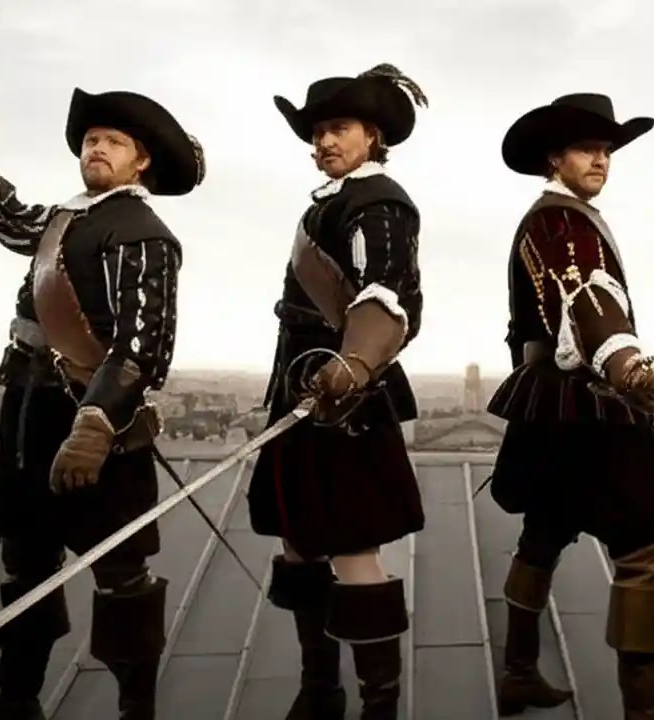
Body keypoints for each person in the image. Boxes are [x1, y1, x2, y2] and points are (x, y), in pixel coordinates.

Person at [0, 87, 205, 720]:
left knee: (121, 578)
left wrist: (94, 425)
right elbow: (4, 216)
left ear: (140, 162)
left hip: (97, 423)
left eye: (113, 142)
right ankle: (18, 699)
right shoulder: (63, 219)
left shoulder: (145, 233)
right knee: (25, 564)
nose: (96, 149)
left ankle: (135, 709)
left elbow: (142, 349)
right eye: (91, 141)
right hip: (31, 412)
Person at [487, 93, 654, 719]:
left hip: (547, 407)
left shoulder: (562, 216)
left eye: (606, 150)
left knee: (542, 532)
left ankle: (517, 672)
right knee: (643, 552)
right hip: (590, 405)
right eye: (587, 150)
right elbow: (583, 303)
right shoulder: (560, 221)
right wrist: (629, 368)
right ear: (556, 158)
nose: (600, 160)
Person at [246, 64, 428, 720]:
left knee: (353, 550)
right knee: (300, 544)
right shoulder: (325, 203)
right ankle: (319, 690)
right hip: (301, 387)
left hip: (345, 392)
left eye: (339, 128)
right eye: (319, 130)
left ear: (373, 136)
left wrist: (352, 366)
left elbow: (388, 291)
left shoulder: (378, 200)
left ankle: (378, 709)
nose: (325, 140)